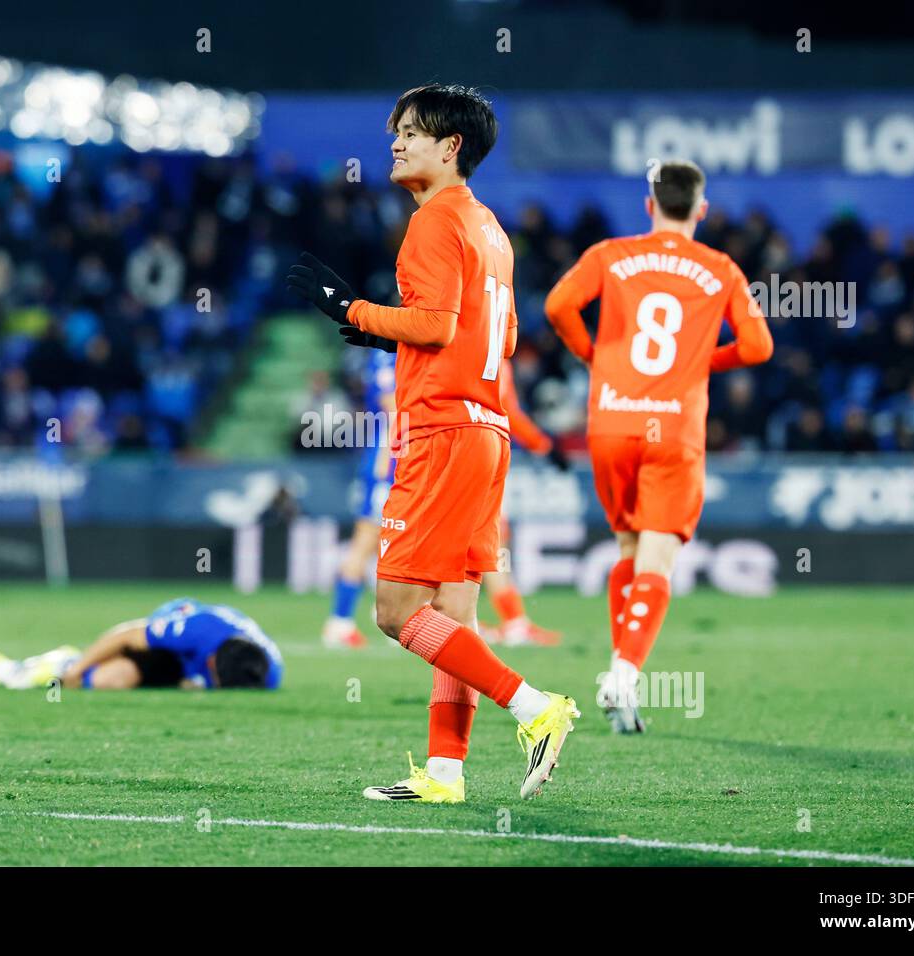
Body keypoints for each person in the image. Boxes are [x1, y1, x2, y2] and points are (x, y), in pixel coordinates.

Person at [287, 84, 578, 804]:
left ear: (451, 148)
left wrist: (349, 308)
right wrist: (383, 328)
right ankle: (446, 774)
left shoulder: (431, 222)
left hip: (441, 431)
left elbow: (440, 325)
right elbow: (499, 338)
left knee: (392, 612)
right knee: (454, 616)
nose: (396, 142)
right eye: (397, 131)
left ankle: (534, 705)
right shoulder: (491, 230)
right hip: (486, 431)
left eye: (412, 133)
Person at [544, 160, 773, 732]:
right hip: (671, 427)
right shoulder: (720, 267)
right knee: (657, 558)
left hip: (613, 423)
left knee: (626, 548)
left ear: (649, 207)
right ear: (701, 209)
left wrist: (592, 356)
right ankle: (623, 673)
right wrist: (703, 363)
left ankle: (623, 682)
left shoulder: (610, 254)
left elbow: (556, 307)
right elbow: (759, 345)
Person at [0, 597, 283, 691]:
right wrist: (77, 671)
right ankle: (17, 668)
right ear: (209, 666)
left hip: (194, 662)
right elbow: (125, 634)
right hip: (175, 638)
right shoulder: (193, 629)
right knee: (110, 679)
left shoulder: (267, 670)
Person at [479, 357, 565, 646]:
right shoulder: (493, 354)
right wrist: (543, 445)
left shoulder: (449, 340)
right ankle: (419, 613)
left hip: (455, 452)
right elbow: (508, 410)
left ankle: (430, 614)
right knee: (490, 542)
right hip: (478, 456)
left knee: (485, 544)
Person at [321, 348, 396, 649]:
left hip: (389, 462)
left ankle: (388, 610)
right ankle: (339, 621)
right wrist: (384, 468)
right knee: (366, 539)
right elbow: (395, 411)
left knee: (392, 541)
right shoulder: (389, 357)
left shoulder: (383, 355)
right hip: (388, 464)